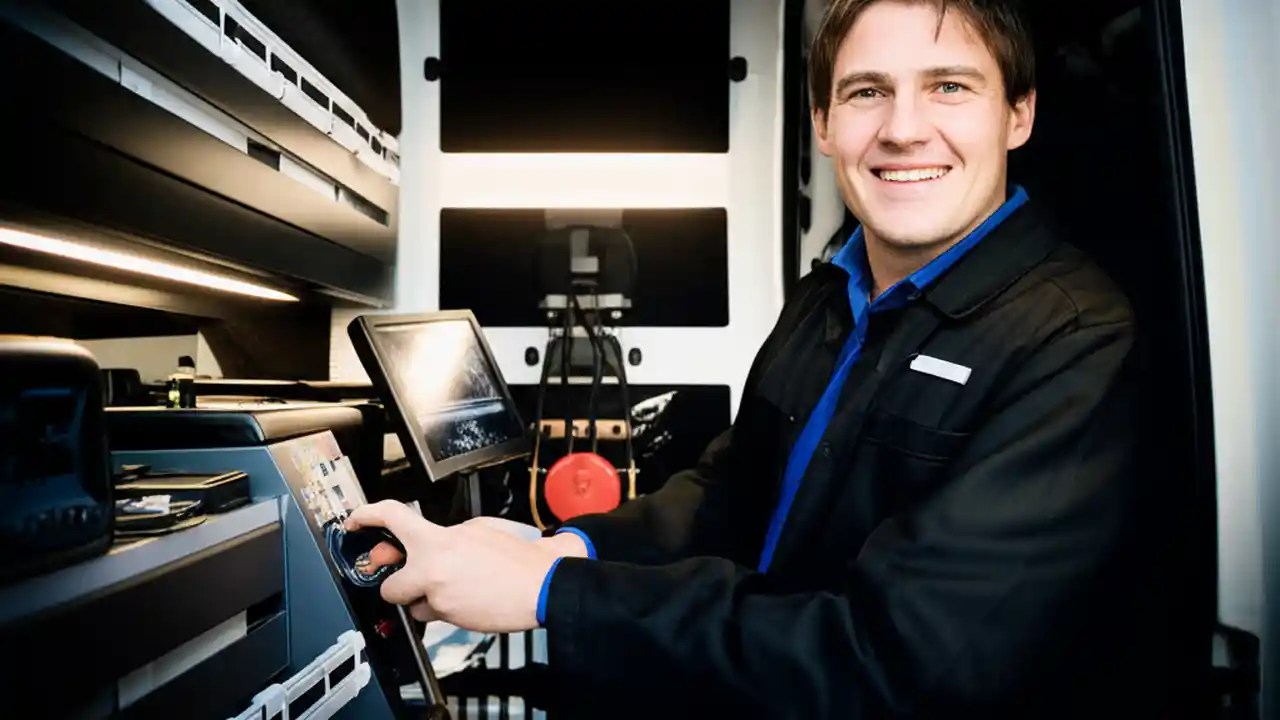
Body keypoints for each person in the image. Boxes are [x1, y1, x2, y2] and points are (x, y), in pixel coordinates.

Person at [350, 0, 1144, 716]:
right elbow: (733, 484)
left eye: (949, 87)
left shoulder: (1073, 339)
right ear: (825, 122)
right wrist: (566, 546)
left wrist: (556, 591)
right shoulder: (826, 295)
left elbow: (901, 664)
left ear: (1018, 114)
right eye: (868, 91)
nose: (903, 128)